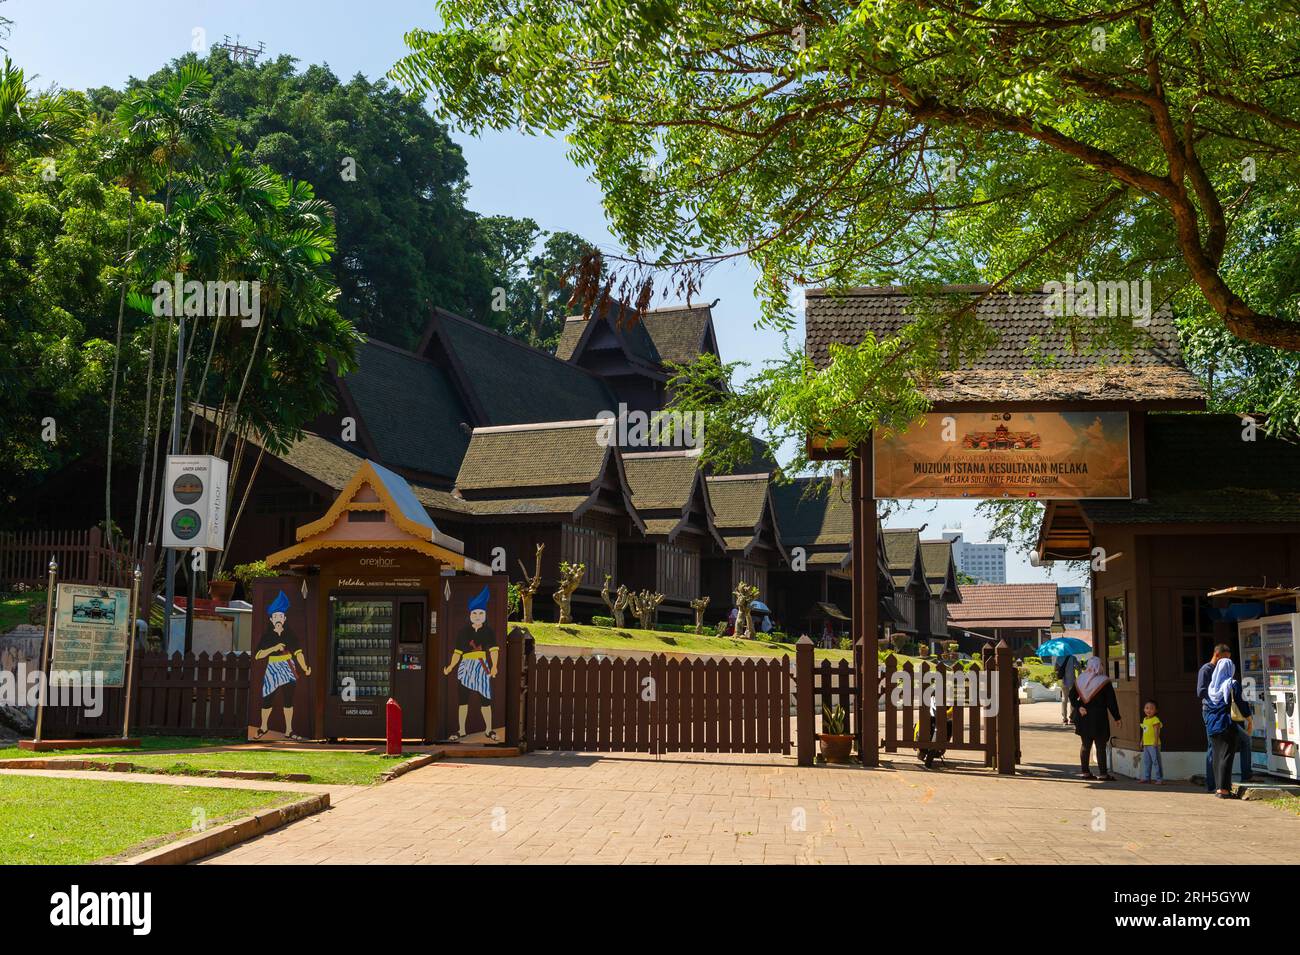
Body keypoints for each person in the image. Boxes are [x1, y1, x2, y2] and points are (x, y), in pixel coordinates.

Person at [443, 584, 499, 741]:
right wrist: (450, 667)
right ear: (470, 614)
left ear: (485, 614)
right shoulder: (463, 632)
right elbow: (457, 653)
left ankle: (488, 729)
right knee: (463, 699)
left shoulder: (489, 631)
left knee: (485, 699)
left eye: (481, 613)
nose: (478, 615)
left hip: (482, 667)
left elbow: (494, 650)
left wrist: (494, 666)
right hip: (465, 668)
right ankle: (462, 730)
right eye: (474, 613)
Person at [254, 590, 312, 740]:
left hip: (288, 668)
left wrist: (305, 667)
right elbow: (258, 655)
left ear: (285, 618)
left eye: (280, 616)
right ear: (271, 619)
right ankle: (264, 727)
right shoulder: (267, 636)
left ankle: (289, 730)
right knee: (268, 698)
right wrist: (273, 648)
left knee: (288, 699)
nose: (278, 618)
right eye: (275, 616)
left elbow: (298, 652)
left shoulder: (290, 634)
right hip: (272, 669)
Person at [1197, 644, 1252, 791]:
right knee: (1219, 749)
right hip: (1216, 713)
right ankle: (1215, 784)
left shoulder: (1220, 679)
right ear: (1217, 655)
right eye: (1226, 659)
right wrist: (1219, 703)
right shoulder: (1207, 670)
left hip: (1217, 714)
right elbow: (1201, 691)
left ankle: (1237, 778)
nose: (1228, 662)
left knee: (1221, 748)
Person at [1069, 657, 1121, 780]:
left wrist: (1079, 706)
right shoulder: (1104, 681)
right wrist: (1117, 717)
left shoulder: (1080, 679)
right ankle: (1103, 774)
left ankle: (1085, 772)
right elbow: (1111, 702)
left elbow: (1071, 697)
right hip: (1099, 718)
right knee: (1100, 746)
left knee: (1085, 745)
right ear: (1099, 666)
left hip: (1084, 716)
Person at [1139, 700, 1164, 784]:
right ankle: (1147, 778)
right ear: (1144, 709)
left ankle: (1159, 779)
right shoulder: (1145, 719)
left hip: (1153, 744)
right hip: (1146, 744)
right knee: (1147, 761)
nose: (1149, 710)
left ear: (1156, 711)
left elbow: (1157, 731)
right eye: (1147, 708)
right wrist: (1142, 741)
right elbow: (1144, 731)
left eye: (1152, 708)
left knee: (1156, 761)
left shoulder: (1155, 720)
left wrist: (1156, 741)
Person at [1055, 653, 1080, 725]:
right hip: (1072, 681)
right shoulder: (1073, 658)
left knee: (1064, 699)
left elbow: (1056, 669)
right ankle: (1072, 718)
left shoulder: (1059, 658)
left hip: (1064, 681)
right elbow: (1078, 668)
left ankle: (1065, 718)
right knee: (1073, 699)